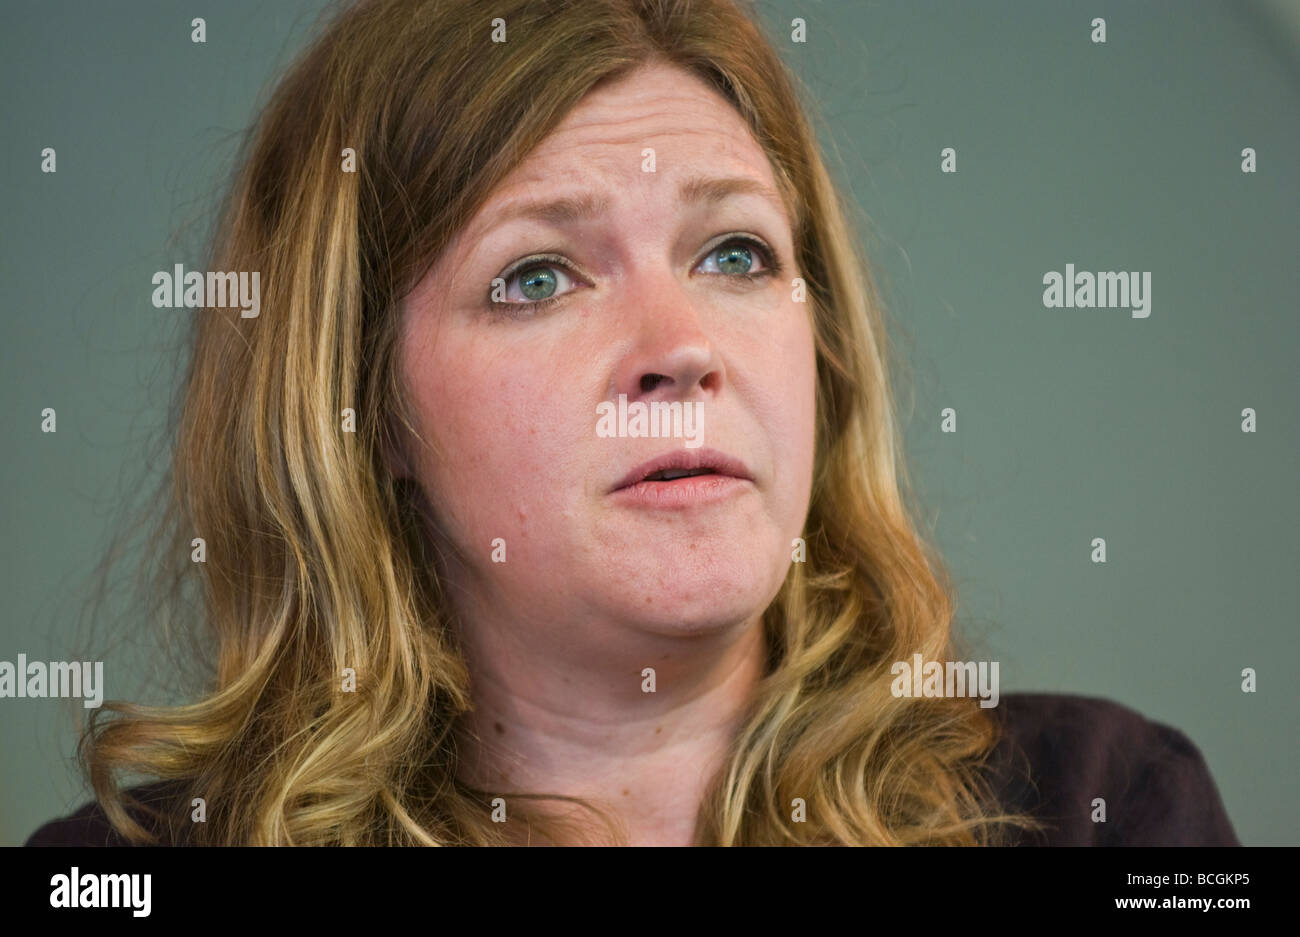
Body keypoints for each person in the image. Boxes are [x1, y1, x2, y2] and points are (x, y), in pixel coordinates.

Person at [26, 0, 1237, 847]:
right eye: (538, 276)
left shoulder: (1101, 809)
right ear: (362, 413)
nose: (681, 348)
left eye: (735, 253)